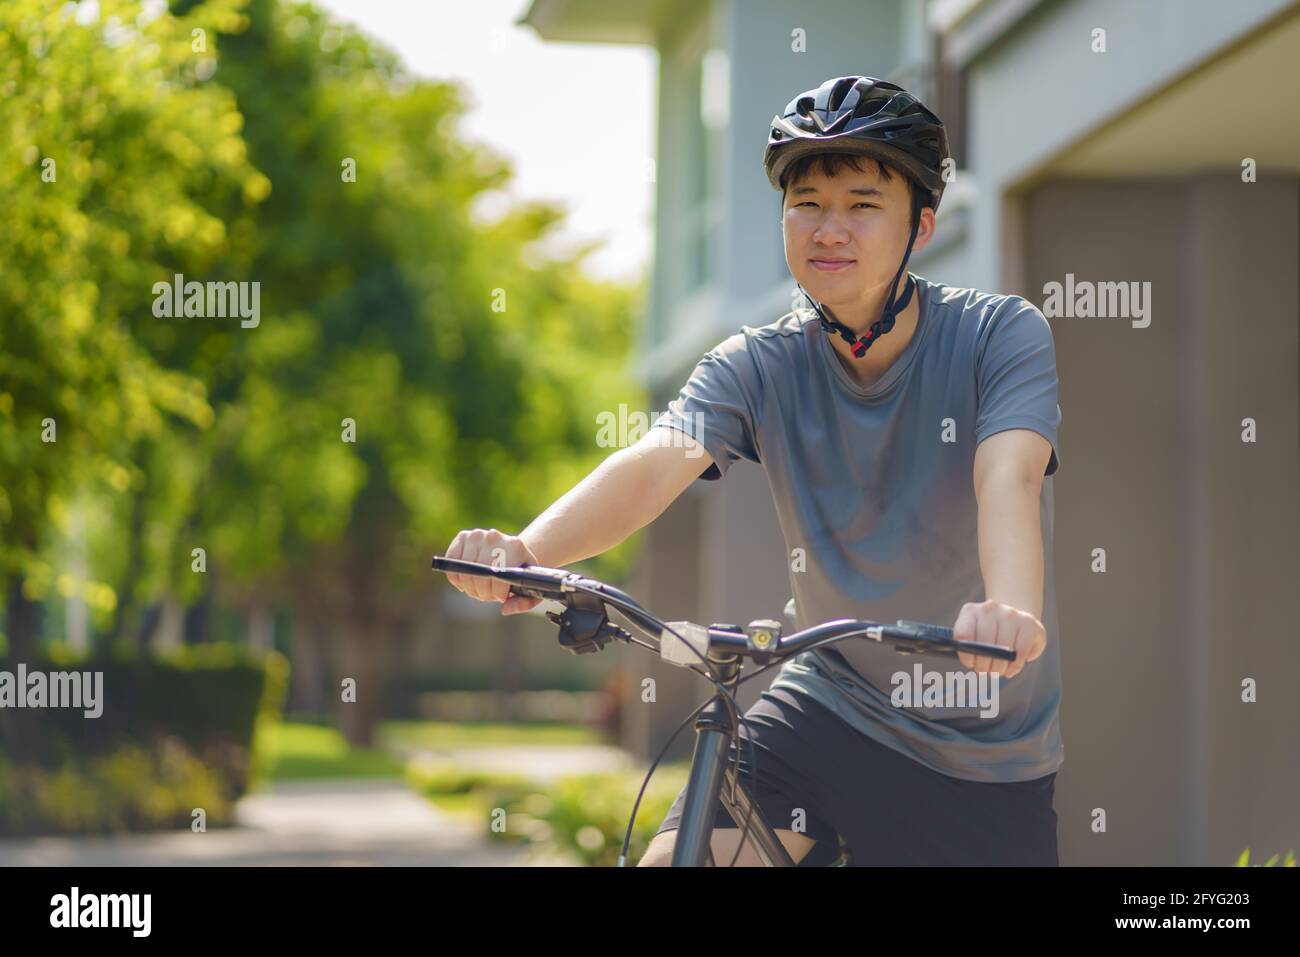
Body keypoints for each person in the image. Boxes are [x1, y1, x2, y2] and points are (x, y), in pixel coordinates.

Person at [446, 75, 1063, 867]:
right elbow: (652, 464)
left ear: (923, 226)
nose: (828, 228)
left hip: (980, 738)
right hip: (828, 704)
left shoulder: (998, 336)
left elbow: (1006, 477)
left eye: (863, 204)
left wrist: (1008, 609)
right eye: (806, 202)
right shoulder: (759, 362)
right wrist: (528, 555)